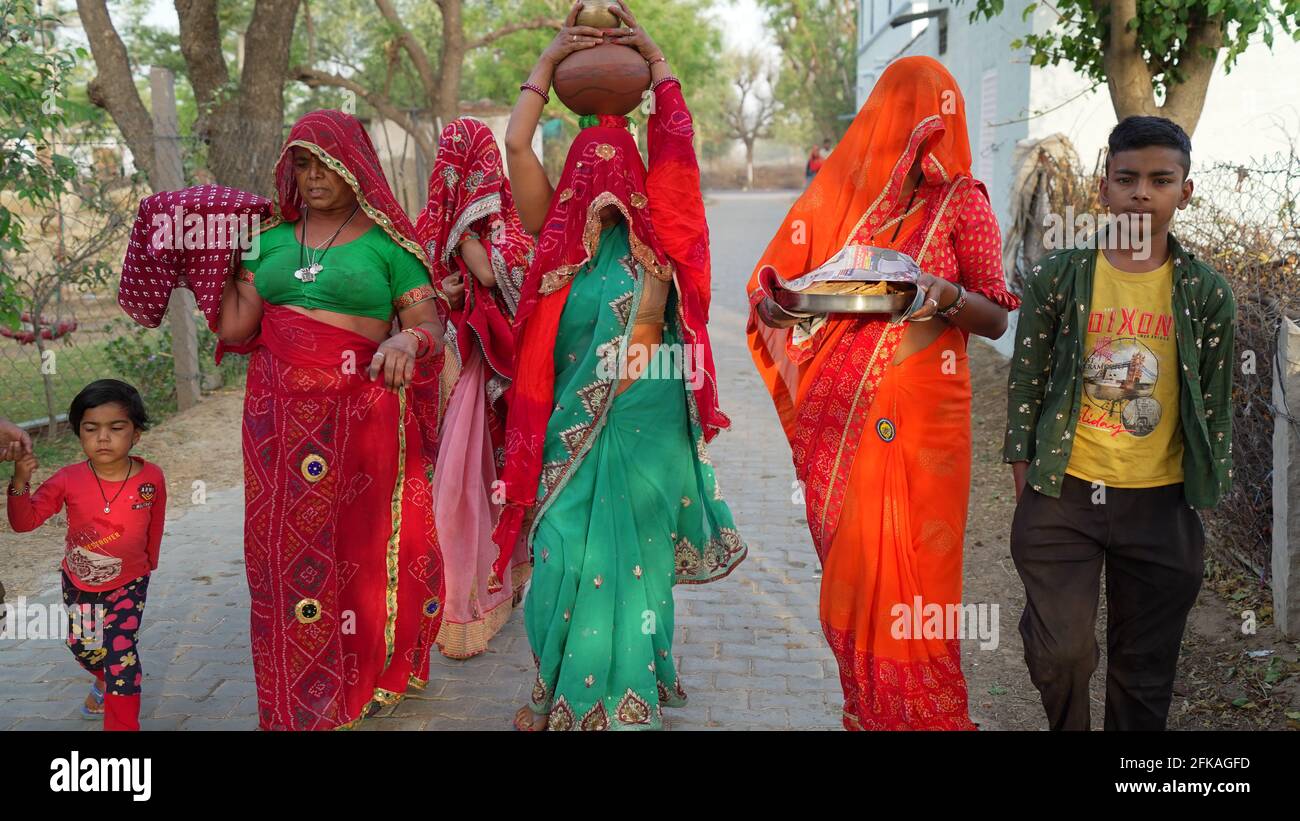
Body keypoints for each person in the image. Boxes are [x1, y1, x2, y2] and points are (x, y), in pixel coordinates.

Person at [748, 55, 1018, 730]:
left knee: (918, 577)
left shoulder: (966, 202)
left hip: (928, 424)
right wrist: (782, 309)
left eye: (930, 120)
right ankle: (869, 709)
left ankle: (924, 713)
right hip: (847, 426)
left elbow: (995, 314)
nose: (917, 133)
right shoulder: (855, 212)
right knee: (861, 568)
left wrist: (946, 295)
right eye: (903, 117)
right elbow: (795, 288)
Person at [497, 0, 746, 731]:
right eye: (584, 167)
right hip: (568, 417)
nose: (598, 179)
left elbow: (677, 141)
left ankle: (623, 692)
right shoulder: (553, 235)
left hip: (645, 416)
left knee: (637, 562)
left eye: (615, 169)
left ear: (636, 176)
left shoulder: (661, 228)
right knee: (560, 552)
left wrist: (657, 61)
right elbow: (516, 144)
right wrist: (547, 62)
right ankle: (552, 687)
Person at [215, 109, 448, 730]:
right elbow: (238, 328)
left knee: (357, 546)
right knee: (280, 547)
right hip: (276, 419)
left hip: (361, 414)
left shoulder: (387, 245)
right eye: (302, 163)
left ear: (355, 168)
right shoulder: (262, 240)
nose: (313, 176)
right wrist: (206, 275)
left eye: (326, 163)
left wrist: (406, 344)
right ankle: (300, 685)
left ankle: (363, 671)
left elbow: (430, 325)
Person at [1004, 115, 1235, 731]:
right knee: (1062, 654)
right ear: (1103, 188)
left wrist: (1199, 496)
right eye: (1127, 178)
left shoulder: (1206, 294)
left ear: (1184, 192)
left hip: (1161, 504)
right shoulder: (1059, 278)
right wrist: (1028, 483)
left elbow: (1214, 400)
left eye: (1160, 180)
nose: (1142, 193)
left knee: (1145, 668)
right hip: (1066, 491)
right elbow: (1026, 381)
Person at [416, 116, 533, 659]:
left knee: (486, 481)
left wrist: (463, 245)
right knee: (462, 485)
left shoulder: (497, 226)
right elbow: (435, 289)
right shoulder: (441, 230)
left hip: (488, 372)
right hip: (457, 371)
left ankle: (491, 591)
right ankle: (460, 601)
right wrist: (451, 280)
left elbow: (493, 278)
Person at [7, 380, 165, 731]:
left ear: (136, 434)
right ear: (79, 433)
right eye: (91, 429)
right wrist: (20, 479)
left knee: (121, 656)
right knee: (84, 647)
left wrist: (148, 563)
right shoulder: (67, 479)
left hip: (130, 582)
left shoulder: (151, 477)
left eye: (116, 428)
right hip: (79, 583)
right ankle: (102, 678)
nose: (103, 438)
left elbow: (156, 521)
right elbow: (24, 522)